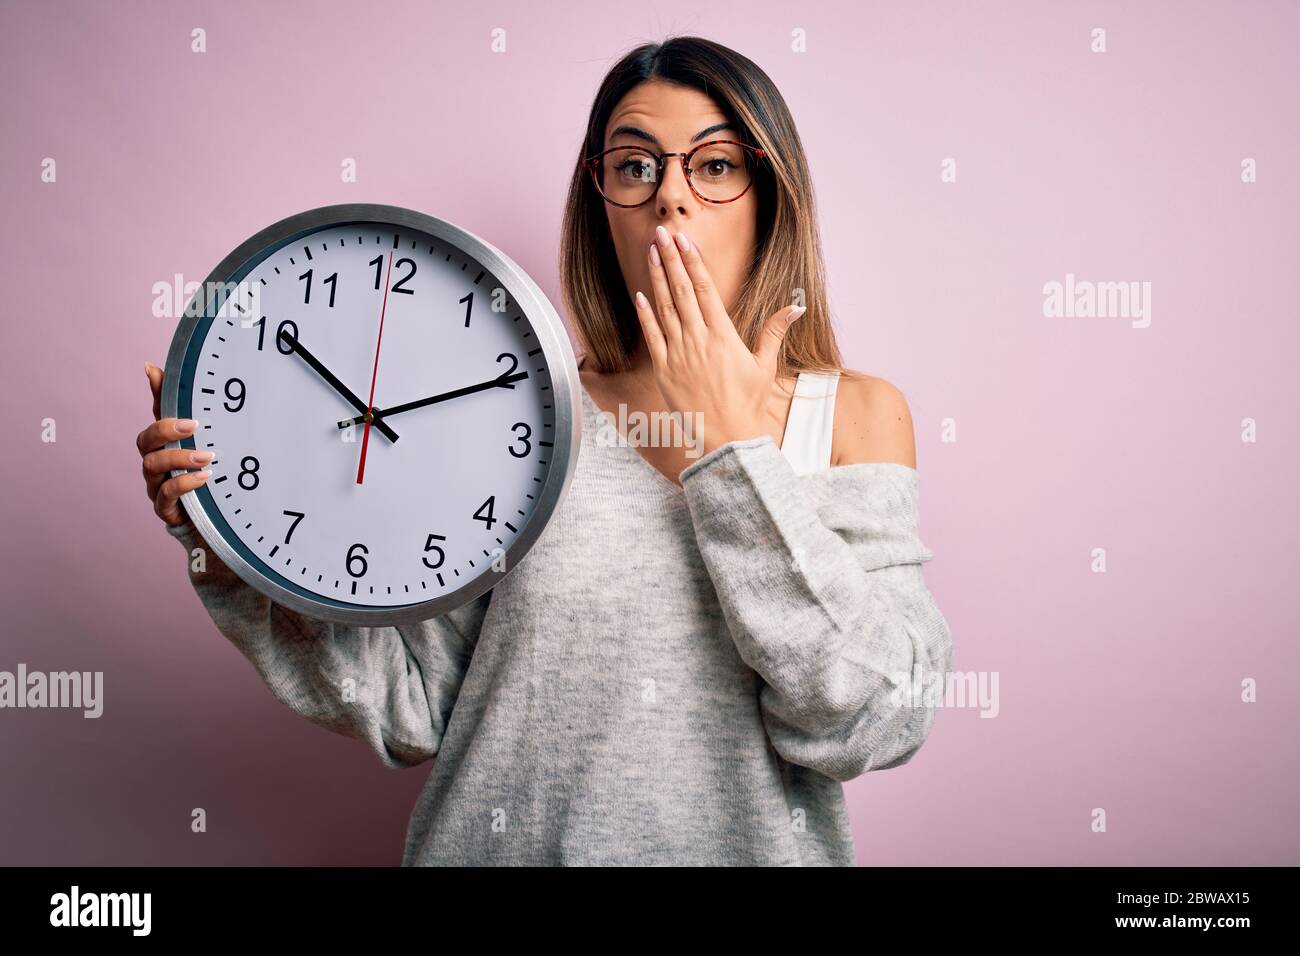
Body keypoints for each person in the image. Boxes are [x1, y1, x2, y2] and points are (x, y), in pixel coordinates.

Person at [136, 35, 952, 866]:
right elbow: (417, 706)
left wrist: (732, 450)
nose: (670, 197)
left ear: (769, 193)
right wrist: (232, 559)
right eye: (635, 165)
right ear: (601, 196)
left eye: (713, 165)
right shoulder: (525, 416)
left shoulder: (852, 414)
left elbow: (871, 719)